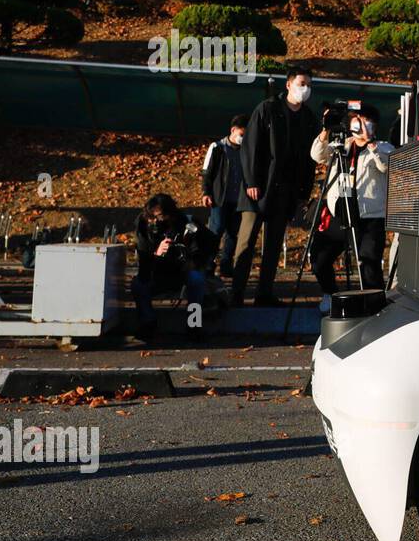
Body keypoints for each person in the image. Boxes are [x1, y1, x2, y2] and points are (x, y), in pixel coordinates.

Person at [231, 68, 321, 307]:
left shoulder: (308, 118)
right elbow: (251, 147)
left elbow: (309, 159)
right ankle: (237, 291)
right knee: (246, 242)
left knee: (273, 245)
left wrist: (304, 192)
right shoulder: (267, 109)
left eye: (310, 85)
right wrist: (251, 181)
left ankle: (264, 292)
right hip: (258, 188)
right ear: (289, 84)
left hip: (286, 191)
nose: (306, 88)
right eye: (302, 83)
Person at [309, 106, 392, 314]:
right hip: (340, 212)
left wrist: (370, 143)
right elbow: (317, 155)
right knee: (320, 257)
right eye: (356, 120)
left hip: (369, 217)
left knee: (369, 262)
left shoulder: (383, 147)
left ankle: (374, 307)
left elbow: (386, 166)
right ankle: (329, 293)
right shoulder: (342, 145)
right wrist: (325, 130)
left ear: (374, 125)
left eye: (365, 121)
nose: (360, 125)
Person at [131, 193, 218, 341]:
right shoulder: (143, 224)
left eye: (159, 217)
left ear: (170, 214)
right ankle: (148, 323)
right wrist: (157, 253)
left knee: (196, 279)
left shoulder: (187, 223)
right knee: (138, 284)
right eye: (152, 217)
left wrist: (193, 260)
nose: (155, 222)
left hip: (182, 271)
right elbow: (143, 258)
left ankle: (194, 324)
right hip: (155, 272)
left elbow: (209, 245)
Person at [201, 114, 248, 277]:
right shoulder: (217, 147)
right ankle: (208, 264)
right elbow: (207, 172)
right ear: (233, 130)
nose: (243, 138)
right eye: (241, 135)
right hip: (220, 198)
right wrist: (206, 192)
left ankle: (226, 266)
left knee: (232, 234)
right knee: (216, 231)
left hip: (238, 199)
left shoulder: (246, 151)